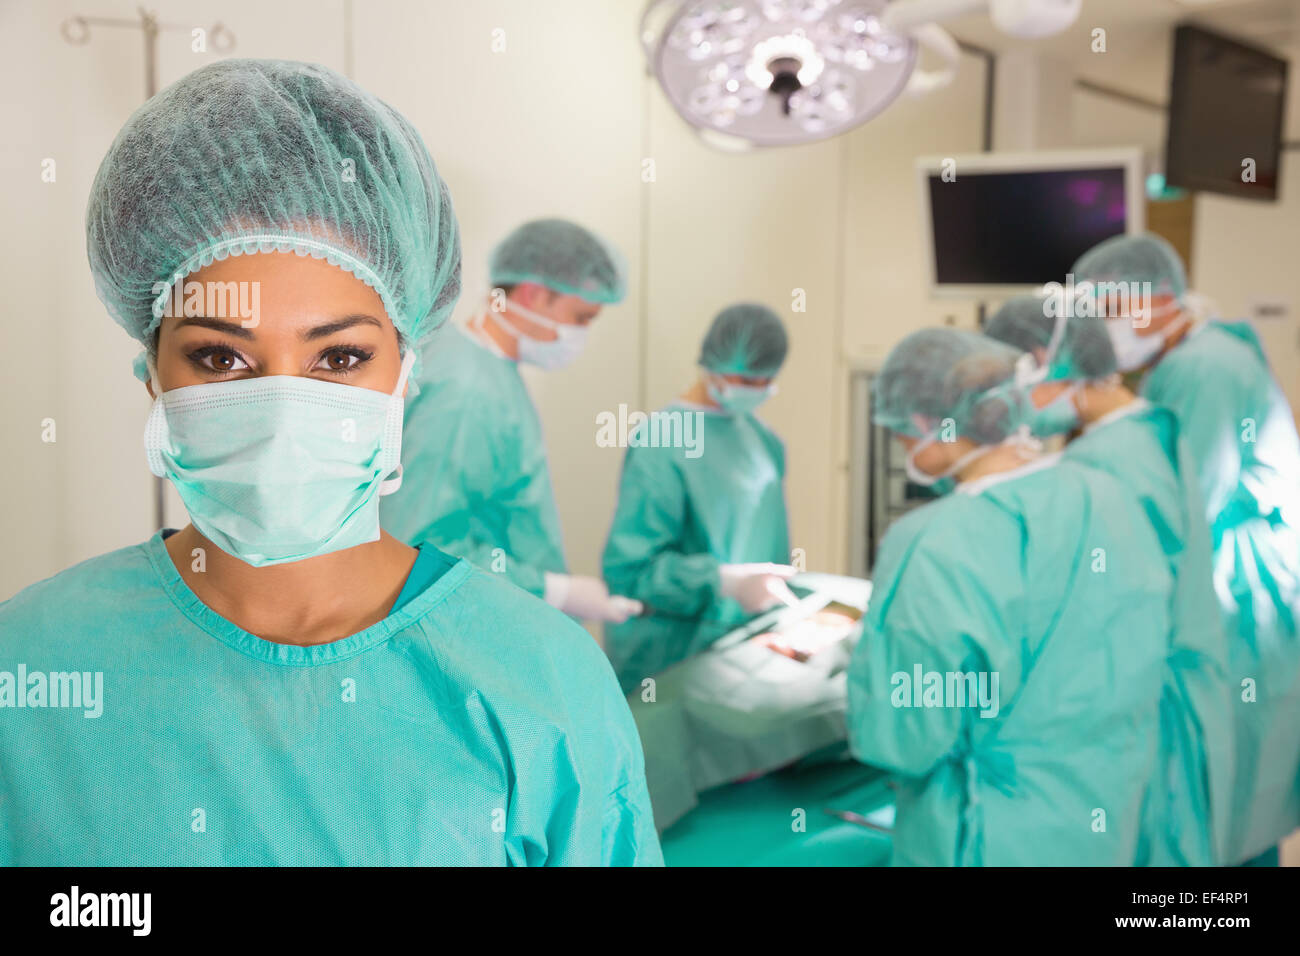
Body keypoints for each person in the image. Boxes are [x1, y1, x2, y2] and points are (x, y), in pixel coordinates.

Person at [0, 59, 661, 866]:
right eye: (219, 358)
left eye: (339, 358)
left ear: (406, 377)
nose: (282, 414)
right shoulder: (30, 667)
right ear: (153, 378)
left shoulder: (543, 684)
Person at [848, 328, 1172, 865]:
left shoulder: (936, 542)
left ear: (932, 425)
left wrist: (866, 670)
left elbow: (905, 739)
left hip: (990, 834)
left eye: (906, 434)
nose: (906, 445)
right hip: (1102, 815)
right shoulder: (1110, 495)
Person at [1073, 233, 1300, 865]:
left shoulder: (1199, 368)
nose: (1102, 332)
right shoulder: (1207, 352)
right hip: (1249, 596)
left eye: (1109, 312)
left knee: (1224, 797)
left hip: (1241, 606)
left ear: (1156, 300)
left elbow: (1181, 504)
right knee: (1241, 797)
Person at [985, 293, 1233, 865]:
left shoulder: (1104, 468)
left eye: (1010, 386)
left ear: (1041, 361)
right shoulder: (1146, 431)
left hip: (1138, 725)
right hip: (1169, 706)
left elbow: (1090, 630)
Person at [380, 218, 640, 623]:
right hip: (474, 626)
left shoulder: (474, 362)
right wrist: (555, 591)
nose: (582, 334)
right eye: (582, 317)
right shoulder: (467, 392)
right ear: (535, 295)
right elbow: (420, 541)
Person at [602, 303, 797, 692]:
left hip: (747, 647)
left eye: (764, 381)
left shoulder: (763, 439)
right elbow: (633, 572)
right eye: (743, 378)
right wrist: (725, 583)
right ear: (713, 361)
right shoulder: (662, 442)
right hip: (671, 657)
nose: (754, 390)